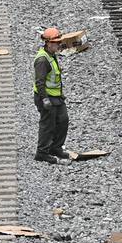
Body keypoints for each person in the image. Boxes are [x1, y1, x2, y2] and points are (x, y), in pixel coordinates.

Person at [33, 27, 71, 164]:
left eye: (59, 42)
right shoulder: (42, 60)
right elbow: (40, 82)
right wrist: (45, 99)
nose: (58, 44)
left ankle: (56, 148)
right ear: (48, 43)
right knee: (47, 125)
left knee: (63, 121)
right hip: (47, 97)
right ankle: (42, 153)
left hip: (56, 97)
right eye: (56, 42)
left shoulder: (51, 54)